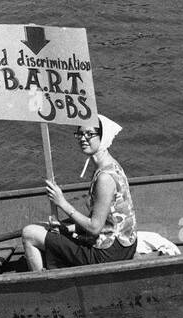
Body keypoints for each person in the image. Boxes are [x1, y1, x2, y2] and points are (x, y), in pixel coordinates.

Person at [21, 116, 137, 271]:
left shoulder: (104, 178)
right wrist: (67, 229)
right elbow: (104, 221)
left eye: (89, 134)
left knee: (29, 233)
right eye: (80, 134)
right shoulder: (112, 165)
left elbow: (95, 227)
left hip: (106, 253)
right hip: (124, 245)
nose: (83, 138)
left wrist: (62, 202)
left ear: (103, 137)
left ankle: (43, 284)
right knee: (60, 228)